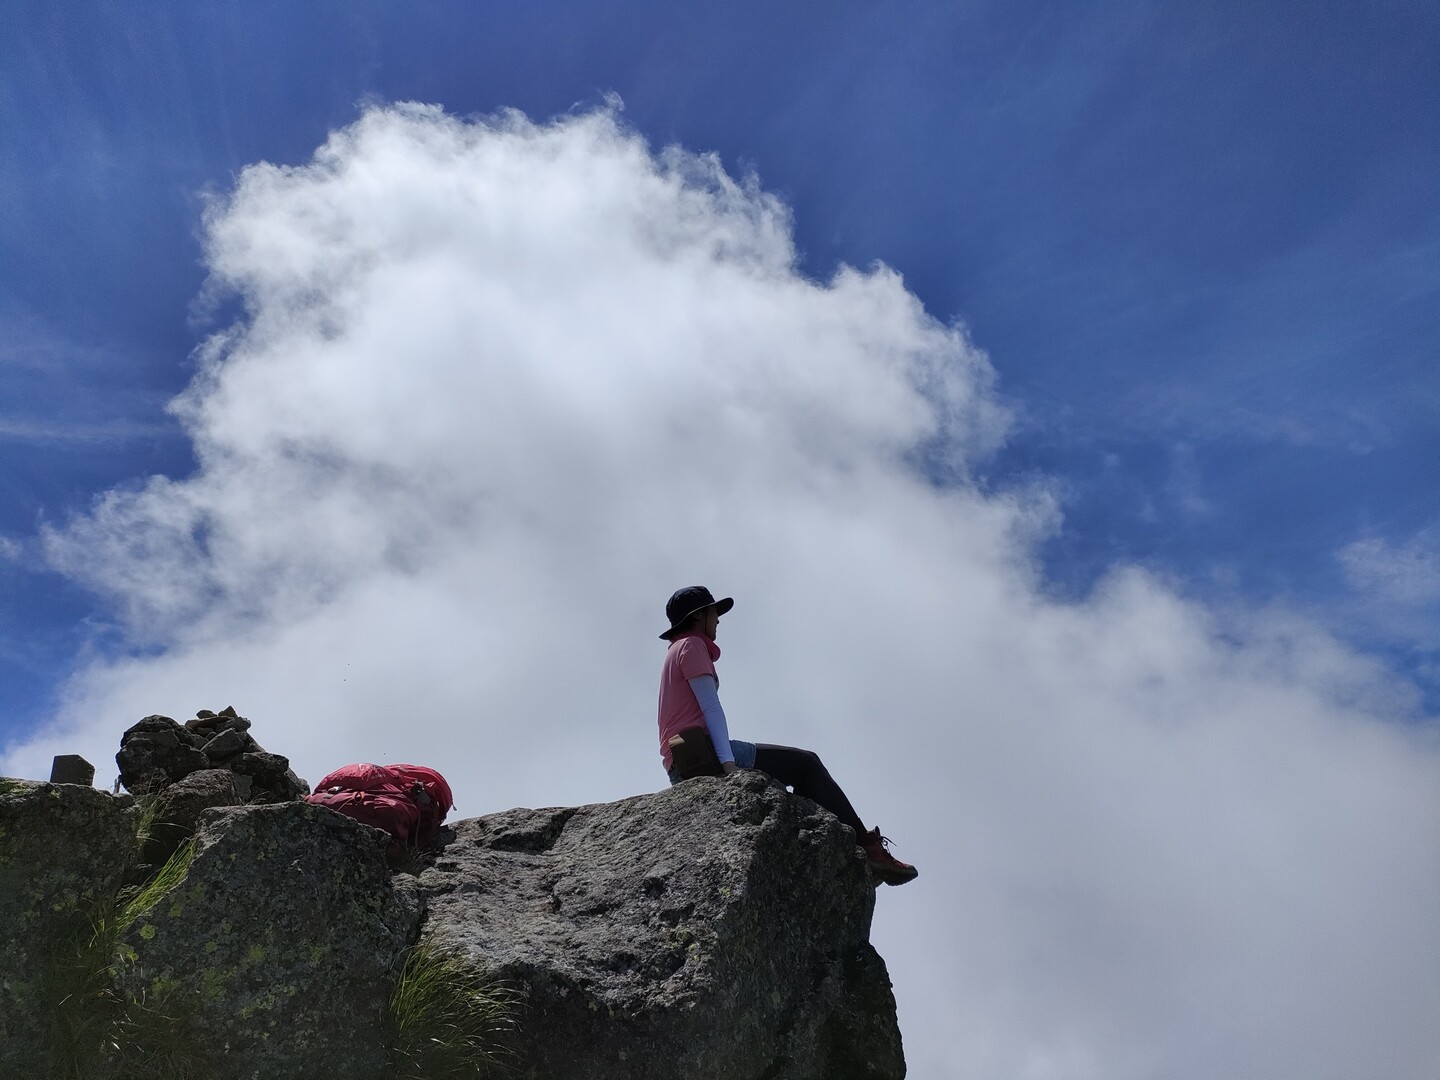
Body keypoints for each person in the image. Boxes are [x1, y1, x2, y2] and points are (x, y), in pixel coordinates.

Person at [656, 585, 918, 886]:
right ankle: (867, 848)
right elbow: (711, 709)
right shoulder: (692, 646)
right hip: (708, 757)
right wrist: (728, 765)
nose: (718, 618)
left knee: (794, 773)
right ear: (698, 616)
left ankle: (822, 841)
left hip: (682, 767)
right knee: (806, 764)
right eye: (714, 611)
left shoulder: (674, 651)